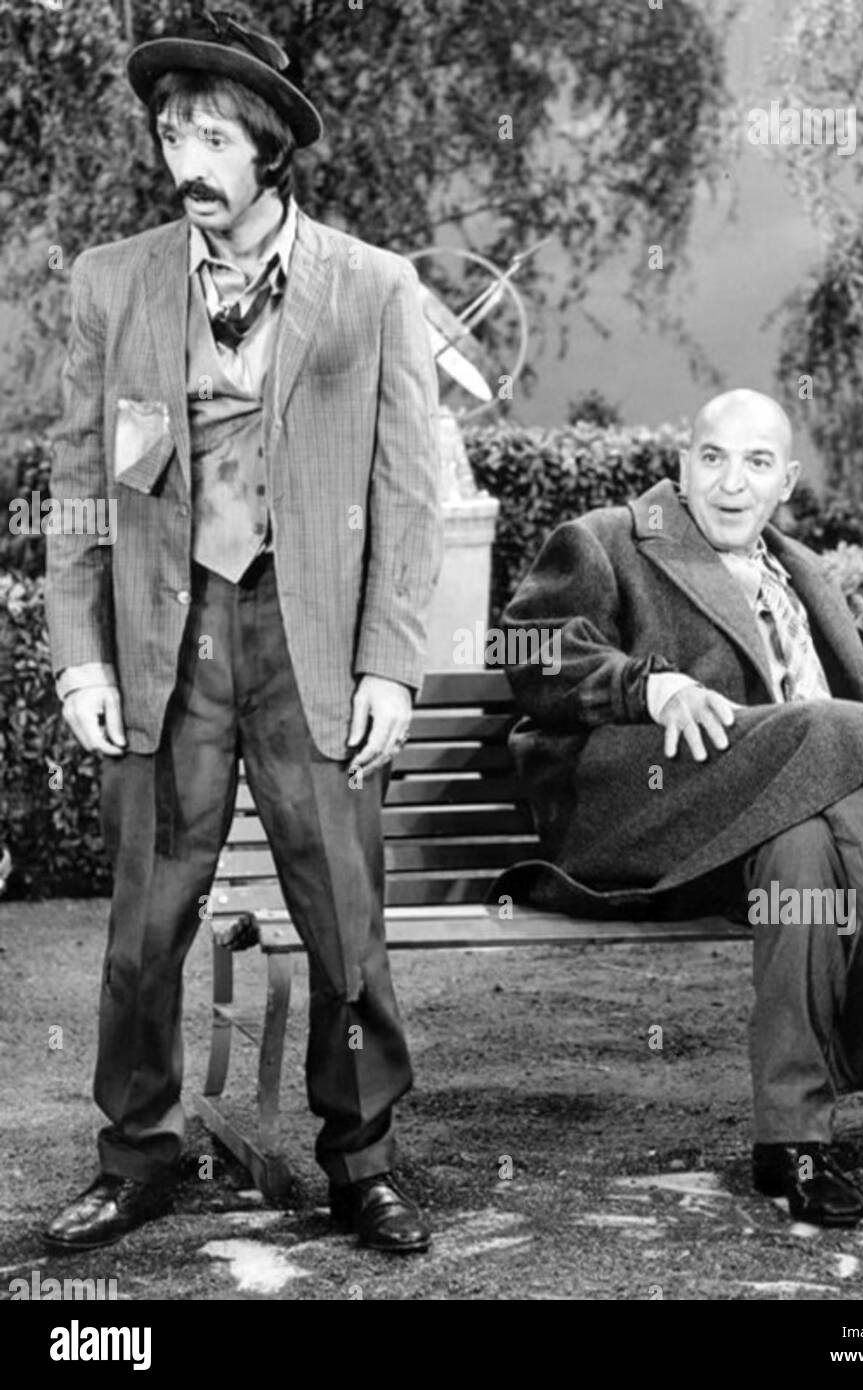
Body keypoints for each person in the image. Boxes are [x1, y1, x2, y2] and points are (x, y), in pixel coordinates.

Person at [43, 10, 441, 1254]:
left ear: (270, 150)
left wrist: (389, 665)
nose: (188, 164)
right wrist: (81, 651)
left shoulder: (374, 287)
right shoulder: (113, 281)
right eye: (174, 137)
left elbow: (408, 496)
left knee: (345, 922)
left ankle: (362, 1162)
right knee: (145, 924)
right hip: (166, 637)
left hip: (308, 638)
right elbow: (78, 482)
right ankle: (135, 1156)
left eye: (213, 139)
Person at [494, 387, 863, 1227]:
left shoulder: (794, 564)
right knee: (817, 730)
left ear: (785, 482)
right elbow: (527, 651)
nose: (731, 483)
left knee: (801, 847)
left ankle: (792, 1145)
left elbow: (855, 650)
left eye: (756, 463)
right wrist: (647, 685)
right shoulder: (607, 539)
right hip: (646, 821)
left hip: (765, 822)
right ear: (683, 465)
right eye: (712, 458)